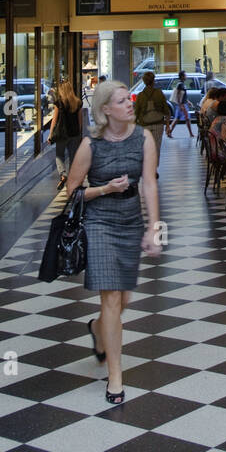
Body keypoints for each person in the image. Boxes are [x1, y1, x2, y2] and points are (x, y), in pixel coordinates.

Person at [65, 80, 161, 404]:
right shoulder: (90, 145)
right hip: (100, 223)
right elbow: (73, 192)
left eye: (129, 99)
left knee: (123, 301)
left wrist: (154, 229)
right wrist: (105, 189)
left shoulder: (143, 138)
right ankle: (115, 377)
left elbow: (149, 184)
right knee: (111, 299)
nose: (129, 104)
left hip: (130, 222)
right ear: (106, 110)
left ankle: (97, 330)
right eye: (122, 101)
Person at [48, 79, 84, 192]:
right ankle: (73, 181)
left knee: (59, 155)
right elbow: (80, 121)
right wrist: (80, 133)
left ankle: (63, 175)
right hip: (74, 134)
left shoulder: (59, 103)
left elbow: (54, 120)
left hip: (62, 134)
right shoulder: (77, 102)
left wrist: (50, 135)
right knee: (73, 157)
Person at [134, 71, 171, 161]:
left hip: (144, 125)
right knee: (156, 147)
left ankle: (148, 166)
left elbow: (136, 113)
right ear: (153, 81)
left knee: (146, 147)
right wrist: (167, 125)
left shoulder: (140, 96)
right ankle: (154, 168)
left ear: (144, 82)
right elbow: (166, 110)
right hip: (158, 124)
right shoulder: (159, 93)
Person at [168, 71, 193, 138]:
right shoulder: (180, 84)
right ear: (182, 76)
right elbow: (178, 95)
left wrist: (188, 101)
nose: (186, 77)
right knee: (186, 119)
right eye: (185, 75)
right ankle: (191, 134)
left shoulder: (182, 84)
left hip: (183, 104)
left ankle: (169, 132)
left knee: (177, 119)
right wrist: (180, 105)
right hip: (182, 105)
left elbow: (183, 95)